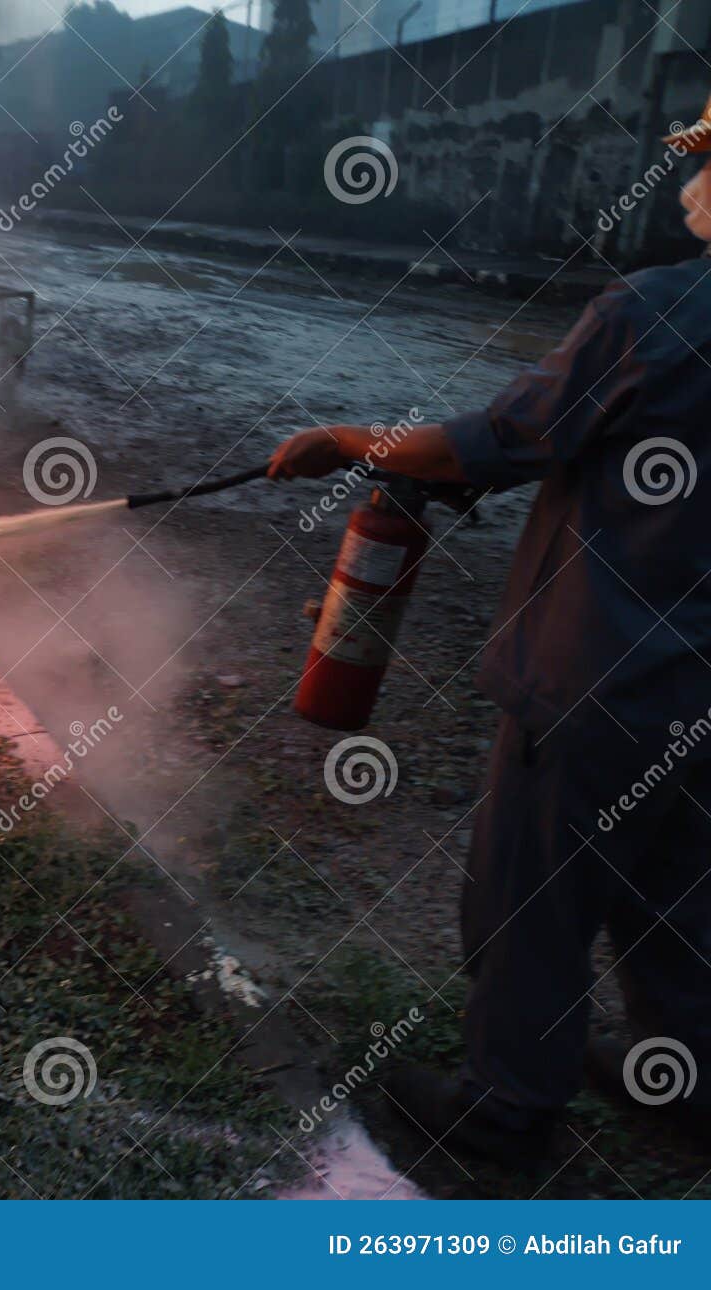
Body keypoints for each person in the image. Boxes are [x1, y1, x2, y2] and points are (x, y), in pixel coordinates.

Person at [267, 106, 711, 1166]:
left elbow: (504, 439)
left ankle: (507, 1111)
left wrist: (345, 441)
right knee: (681, 895)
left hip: (603, 679)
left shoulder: (653, 312)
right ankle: (686, 1083)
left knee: (536, 892)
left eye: (707, 167)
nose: (688, 187)